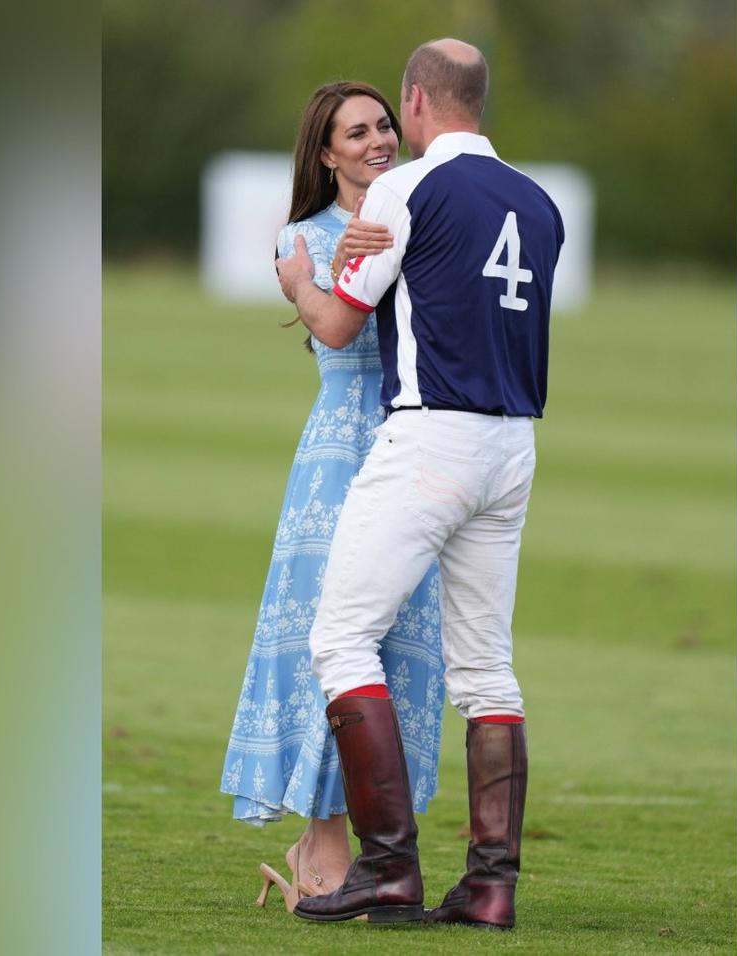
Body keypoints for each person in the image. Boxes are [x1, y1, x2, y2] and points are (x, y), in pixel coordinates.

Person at [275, 39, 564, 929]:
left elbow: (336, 324)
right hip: (512, 446)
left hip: (429, 436)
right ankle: (489, 887)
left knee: (341, 638)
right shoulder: (542, 203)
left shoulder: (407, 189)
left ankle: (389, 869)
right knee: (488, 671)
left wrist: (298, 277)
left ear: (417, 100)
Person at [220, 81, 445, 914]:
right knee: (327, 639)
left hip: (416, 446)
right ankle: (320, 840)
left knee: (394, 647)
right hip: (337, 453)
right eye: (357, 131)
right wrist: (337, 266)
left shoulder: (420, 217)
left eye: (386, 123)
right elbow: (331, 326)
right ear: (326, 152)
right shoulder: (304, 238)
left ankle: (360, 837)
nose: (379, 139)